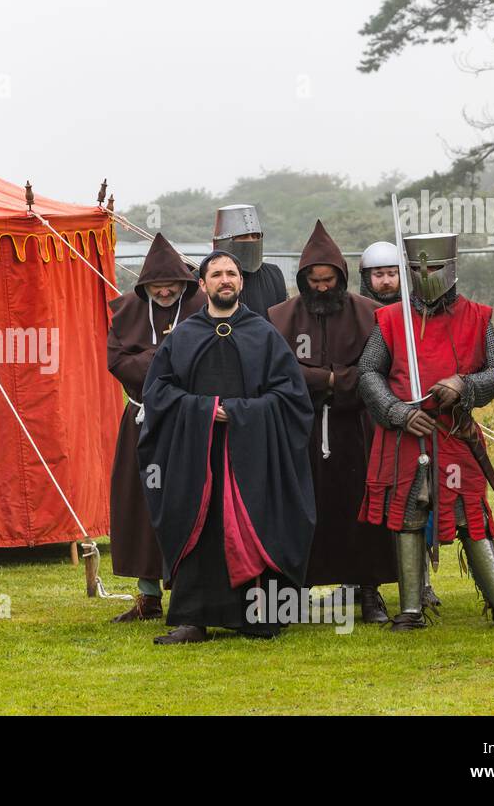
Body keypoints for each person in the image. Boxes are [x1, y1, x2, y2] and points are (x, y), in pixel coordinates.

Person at [358, 233, 494, 630]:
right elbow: (369, 372)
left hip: (453, 430)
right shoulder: (391, 320)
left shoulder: (477, 316)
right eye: (419, 268)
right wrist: (396, 411)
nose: (427, 275)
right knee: (407, 515)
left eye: (435, 267)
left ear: (452, 268)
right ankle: (410, 610)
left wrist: (463, 384)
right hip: (406, 432)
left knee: (469, 513)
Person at [138, 251, 316, 643]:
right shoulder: (183, 336)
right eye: (216, 274)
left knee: (255, 526)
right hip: (195, 457)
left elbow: (291, 397)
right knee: (198, 528)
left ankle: (260, 617)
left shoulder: (264, 334)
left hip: (253, 457)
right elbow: (159, 393)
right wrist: (205, 411)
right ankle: (192, 620)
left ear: (241, 282)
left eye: (231, 273)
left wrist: (239, 413)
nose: (224, 280)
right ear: (202, 285)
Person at [268, 221, 396, 623]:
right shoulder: (279, 316)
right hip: (302, 431)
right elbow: (278, 371)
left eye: (328, 279)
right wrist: (327, 378)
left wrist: (336, 382)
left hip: (355, 428)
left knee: (362, 506)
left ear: (340, 276)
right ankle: (297, 590)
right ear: (303, 279)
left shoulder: (371, 314)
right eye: (315, 280)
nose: (322, 287)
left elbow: (378, 369)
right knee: (303, 508)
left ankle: (368, 589)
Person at [106, 233, 204, 622]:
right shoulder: (128, 311)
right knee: (141, 503)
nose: (164, 291)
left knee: (187, 501)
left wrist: (159, 364)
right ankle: (147, 596)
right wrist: (164, 360)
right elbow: (117, 360)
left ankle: (186, 589)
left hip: (187, 422)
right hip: (142, 420)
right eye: (157, 286)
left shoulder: (202, 307)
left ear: (184, 284)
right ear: (145, 286)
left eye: (171, 285)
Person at [212, 203, 288, 318]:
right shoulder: (207, 278)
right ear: (225, 240)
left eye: (255, 236)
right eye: (243, 236)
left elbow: (284, 318)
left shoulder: (274, 274)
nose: (252, 241)